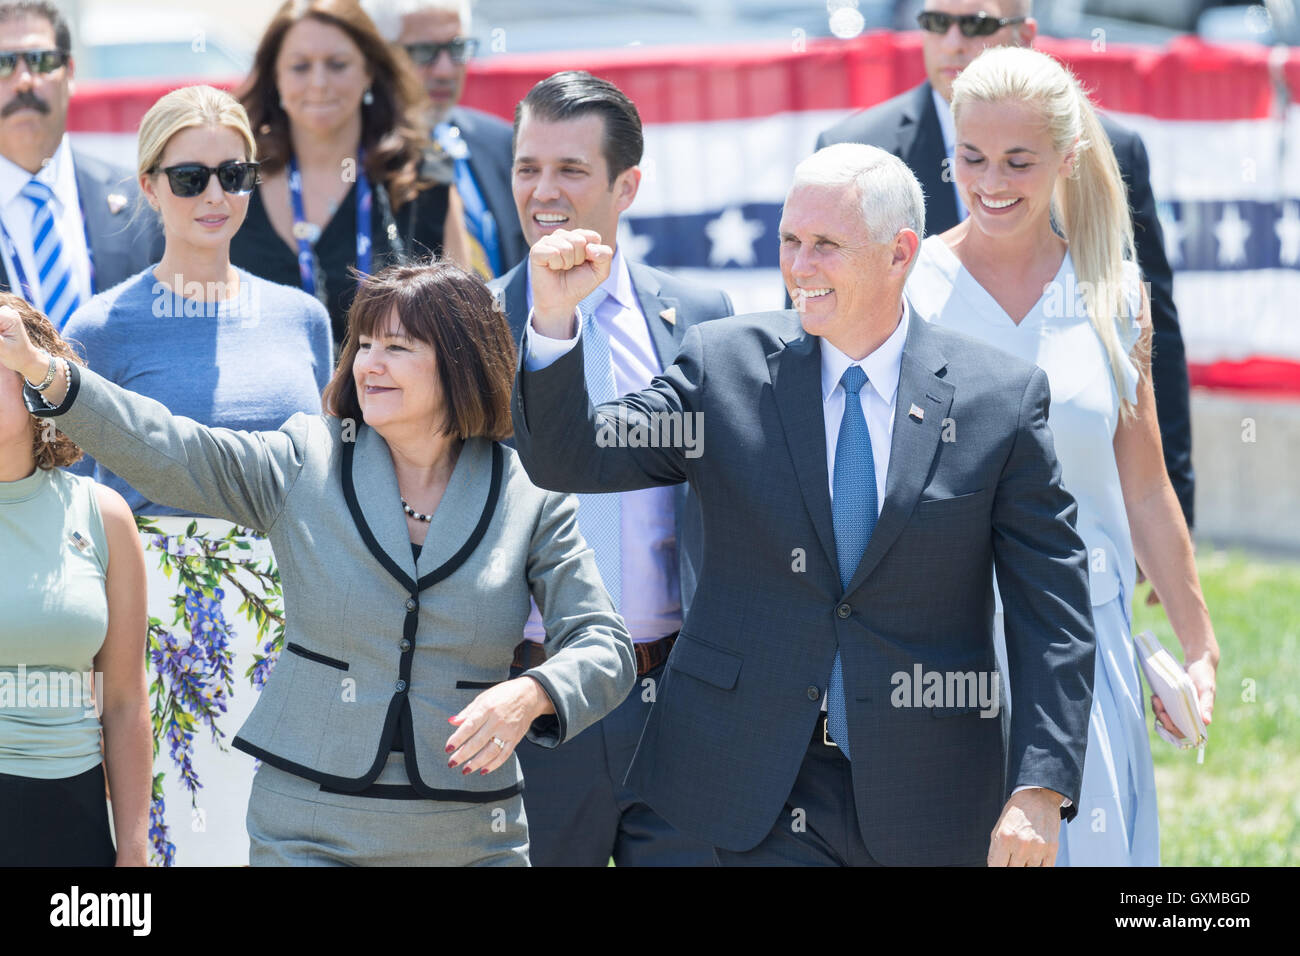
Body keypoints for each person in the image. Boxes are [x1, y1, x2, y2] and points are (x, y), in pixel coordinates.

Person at [512, 143, 1098, 867]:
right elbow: (573, 455)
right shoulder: (722, 366)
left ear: (898, 254)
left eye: (826, 245)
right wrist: (552, 322)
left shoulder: (998, 400)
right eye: (791, 240)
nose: (799, 265)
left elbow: (1053, 614)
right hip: (756, 783)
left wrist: (1039, 786)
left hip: (931, 790)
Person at [3, 259, 635, 867]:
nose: (370, 365)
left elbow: (605, 645)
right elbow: (172, 447)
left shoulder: (531, 492)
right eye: (363, 344)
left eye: (398, 348)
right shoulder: (305, 458)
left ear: (462, 364)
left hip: (474, 837)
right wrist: (42, 371)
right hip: (309, 833)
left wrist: (532, 692)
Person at [905, 45, 1219, 865]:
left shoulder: (1113, 292)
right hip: (939, 651)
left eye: (1018, 160)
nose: (992, 181)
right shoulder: (907, 287)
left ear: (1066, 159)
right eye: (972, 157)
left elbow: (1144, 485)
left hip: (1085, 645)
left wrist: (1198, 641)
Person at [815, 0, 1196, 532]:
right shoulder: (855, 152)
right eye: (935, 22)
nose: (953, 41)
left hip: (1080, 519)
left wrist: (1170, 502)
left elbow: (1152, 340)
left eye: (976, 24)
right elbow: (822, 348)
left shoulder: (1111, 150)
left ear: (1026, 32)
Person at [491, 70, 733, 867]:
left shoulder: (701, 320)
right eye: (528, 167)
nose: (542, 191)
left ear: (626, 186)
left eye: (571, 170)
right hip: (528, 704)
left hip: (675, 705)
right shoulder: (470, 327)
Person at [62, 85, 333, 515]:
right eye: (190, 178)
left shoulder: (304, 318)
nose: (214, 196)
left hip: (299, 578)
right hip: (151, 579)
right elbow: (69, 501)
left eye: (234, 175)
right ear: (149, 188)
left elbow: (330, 482)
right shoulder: (99, 330)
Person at [0, 297, 150, 866]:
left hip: (71, 816)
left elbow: (126, 702)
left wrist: (134, 852)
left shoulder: (104, 515)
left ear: (37, 382)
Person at [231, 0, 471, 345]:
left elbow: (464, 333)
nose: (319, 83)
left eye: (337, 64)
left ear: (369, 71)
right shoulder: (231, 184)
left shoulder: (424, 182)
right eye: (300, 66)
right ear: (275, 78)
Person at [0, 1, 162, 329]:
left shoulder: (141, 201)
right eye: (3, 64)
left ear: (70, 74)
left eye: (41, 60)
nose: (24, 81)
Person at [364, 0, 528, 277]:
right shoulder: (356, 158)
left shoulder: (503, 143)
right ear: (381, 56)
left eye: (456, 49)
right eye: (424, 52)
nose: (445, 70)